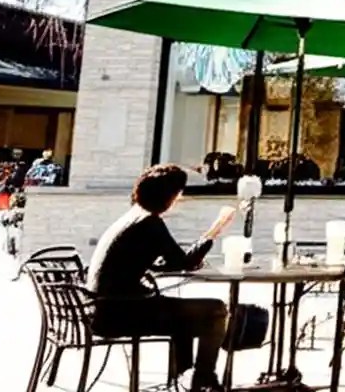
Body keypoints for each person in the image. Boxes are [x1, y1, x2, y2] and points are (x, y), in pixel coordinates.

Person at [87, 164, 238, 392]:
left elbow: (153, 260)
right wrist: (217, 227)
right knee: (216, 309)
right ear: (169, 195)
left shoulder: (133, 216)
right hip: (121, 312)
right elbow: (184, 262)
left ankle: (185, 379)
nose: (179, 198)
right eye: (178, 193)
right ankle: (202, 379)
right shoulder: (150, 222)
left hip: (104, 309)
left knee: (184, 315)